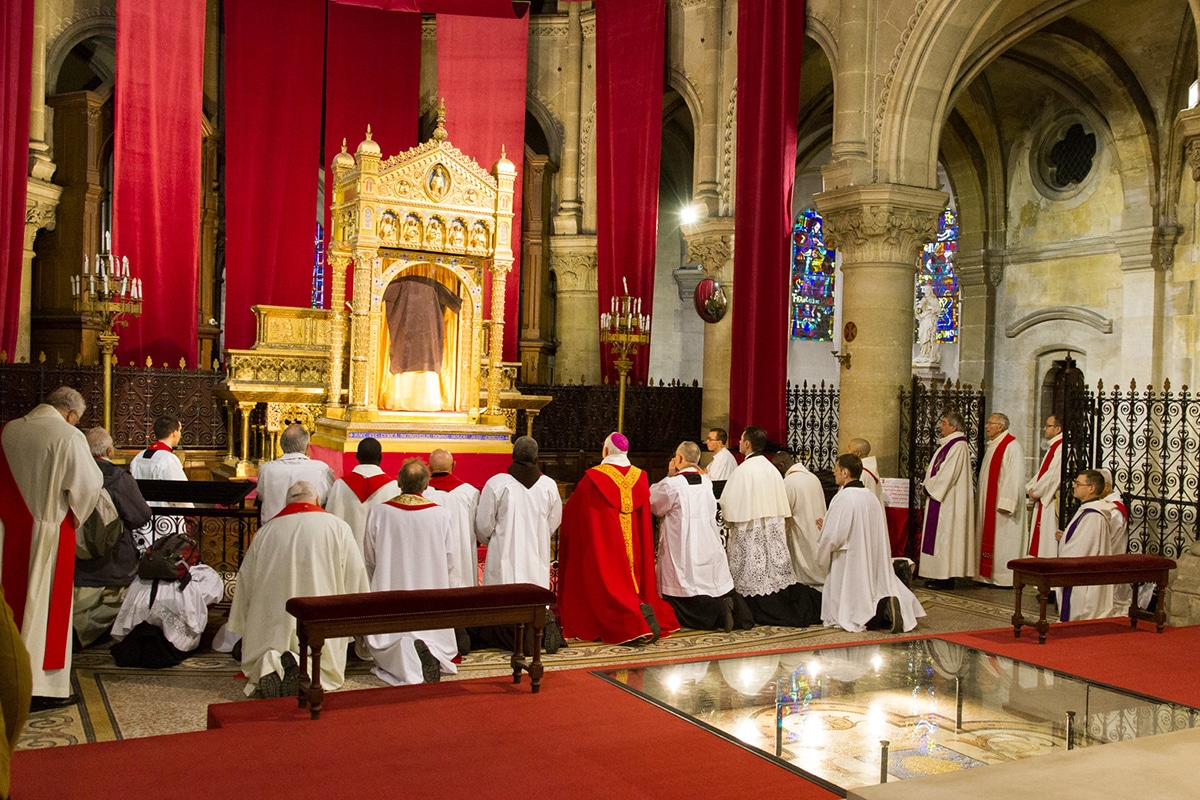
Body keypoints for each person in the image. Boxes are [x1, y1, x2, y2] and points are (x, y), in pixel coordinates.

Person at [0, 386, 103, 709]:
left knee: (10, 608)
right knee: (41, 612)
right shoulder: (68, 436)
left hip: (6, 531)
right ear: (72, 415)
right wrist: (69, 517)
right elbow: (88, 486)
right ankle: (39, 687)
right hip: (46, 532)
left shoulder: (9, 429)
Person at [228, 481, 368, 698]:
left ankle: (271, 665)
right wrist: (353, 619)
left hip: (274, 618)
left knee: (270, 648)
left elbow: (246, 581)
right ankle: (308, 671)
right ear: (318, 501)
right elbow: (355, 573)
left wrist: (243, 620)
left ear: (287, 502)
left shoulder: (265, 533)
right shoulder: (337, 527)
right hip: (319, 619)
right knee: (321, 656)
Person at [558, 433, 679, 644]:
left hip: (606, 547)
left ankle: (630, 620)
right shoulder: (640, 477)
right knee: (634, 581)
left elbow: (572, 513)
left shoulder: (594, 479)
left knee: (608, 580)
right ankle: (641, 608)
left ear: (605, 451)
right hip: (635, 547)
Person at [363, 460, 459, 684]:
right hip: (430, 588)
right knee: (431, 630)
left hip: (390, 587)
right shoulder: (441, 514)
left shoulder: (380, 512)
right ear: (426, 485)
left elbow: (369, 555)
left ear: (398, 482)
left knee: (391, 635)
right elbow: (450, 558)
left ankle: (406, 656)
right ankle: (430, 653)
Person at [721, 426, 823, 627]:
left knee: (753, 571)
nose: (739, 443)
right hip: (771, 530)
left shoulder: (743, 471)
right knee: (770, 574)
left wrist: (730, 519)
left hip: (749, 531)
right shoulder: (771, 469)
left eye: (741, 439)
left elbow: (728, 504)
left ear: (747, 444)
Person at [649, 441, 752, 632]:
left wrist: (668, 476)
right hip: (707, 544)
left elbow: (653, 502)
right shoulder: (706, 482)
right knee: (711, 587)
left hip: (684, 548)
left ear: (679, 459)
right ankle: (730, 609)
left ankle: (719, 613)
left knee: (684, 596)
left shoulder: (672, 485)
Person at [818, 454, 925, 633]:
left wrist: (822, 544)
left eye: (836, 469)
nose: (834, 473)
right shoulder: (870, 497)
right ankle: (887, 607)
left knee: (851, 606)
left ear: (845, 472)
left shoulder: (843, 498)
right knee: (870, 591)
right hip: (869, 554)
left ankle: (883, 611)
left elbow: (834, 536)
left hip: (848, 558)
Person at [73, 428, 153, 648]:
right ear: (109, 450)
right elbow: (141, 516)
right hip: (114, 562)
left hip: (77, 560)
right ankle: (84, 634)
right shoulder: (118, 478)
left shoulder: (72, 473)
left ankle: (74, 632)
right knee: (113, 604)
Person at [475, 437, 562, 590]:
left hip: (503, 553)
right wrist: (538, 535)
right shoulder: (548, 486)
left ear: (513, 456)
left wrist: (496, 541)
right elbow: (554, 521)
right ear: (536, 457)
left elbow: (483, 524)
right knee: (532, 599)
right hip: (536, 552)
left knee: (502, 599)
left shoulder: (497, 484)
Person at [381, 273, 463, 411]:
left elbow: (371, 296)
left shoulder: (398, 285)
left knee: (406, 361)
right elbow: (457, 304)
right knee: (423, 362)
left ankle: (401, 402)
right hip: (427, 342)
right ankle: (427, 404)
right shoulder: (434, 286)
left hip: (405, 340)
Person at [918, 411, 976, 590]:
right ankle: (938, 575)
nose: (940, 426)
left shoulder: (958, 446)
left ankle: (945, 577)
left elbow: (948, 474)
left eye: (944, 423)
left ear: (953, 427)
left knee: (944, 538)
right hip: (942, 498)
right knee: (940, 538)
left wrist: (929, 489)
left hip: (948, 501)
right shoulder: (949, 444)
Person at [1054, 470, 1116, 621]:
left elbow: (1081, 549)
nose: (1074, 486)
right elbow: (1082, 539)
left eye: (1078, 483)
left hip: (1081, 575)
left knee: (1079, 611)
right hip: (1083, 573)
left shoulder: (1093, 515)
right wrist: (1065, 537)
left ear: (1091, 488)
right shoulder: (1088, 510)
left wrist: (1064, 545)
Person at [975, 413, 1026, 587]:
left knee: (1004, 543)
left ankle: (1002, 577)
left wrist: (1007, 502)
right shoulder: (993, 446)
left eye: (991, 423)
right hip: (989, 504)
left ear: (1001, 426)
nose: (987, 426)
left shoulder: (1012, 447)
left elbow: (1015, 478)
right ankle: (986, 576)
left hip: (1001, 507)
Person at [324, 437, 398, 554]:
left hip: (347, 558)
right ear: (380, 457)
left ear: (357, 456)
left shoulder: (340, 486)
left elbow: (330, 524)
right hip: (380, 559)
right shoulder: (393, 487)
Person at [424, 448, 481, 587]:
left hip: (431, 559)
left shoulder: (423, 494)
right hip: (462, 558)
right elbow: (479, 528)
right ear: (454, 465)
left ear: (429, 468)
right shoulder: (470, 493)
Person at [255, 424, 335, 523]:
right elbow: (330, 499)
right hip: (311, 528)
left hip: (274, 529)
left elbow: (261, 496)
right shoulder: (322, 469)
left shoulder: (266, 469)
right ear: (307, 447)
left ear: (282, 445)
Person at [129, 413, 189, 541]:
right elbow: (180, 493)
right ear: (174, 432)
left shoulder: (139, 457)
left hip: (142, 521)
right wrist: (190, 514)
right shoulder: (168, 459)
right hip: (165, 523)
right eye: (179, 431)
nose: (180, 435)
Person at [782, 455, 828, 588]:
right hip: (817, 529)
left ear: (782, 466)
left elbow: (784, 512)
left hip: (801, 530)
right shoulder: (813, 477)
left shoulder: (789, 482)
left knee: (805, 572)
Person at [1026, 414, 1063, 558]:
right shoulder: (1053, 446)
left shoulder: (1060, 447)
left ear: (1058, 428)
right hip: (1044, 496)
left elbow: (1053, 475)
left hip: (1051, 499)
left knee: (1047, 542)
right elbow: (1042, 473)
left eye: (1048, 426)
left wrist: (1036, 491)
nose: (1043, 429)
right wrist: (1031, 487)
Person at [848, 438, 887, 510]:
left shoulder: (862, 472)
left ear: (858, 454)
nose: (847, 451)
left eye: (849, 448)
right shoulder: (868, 469)